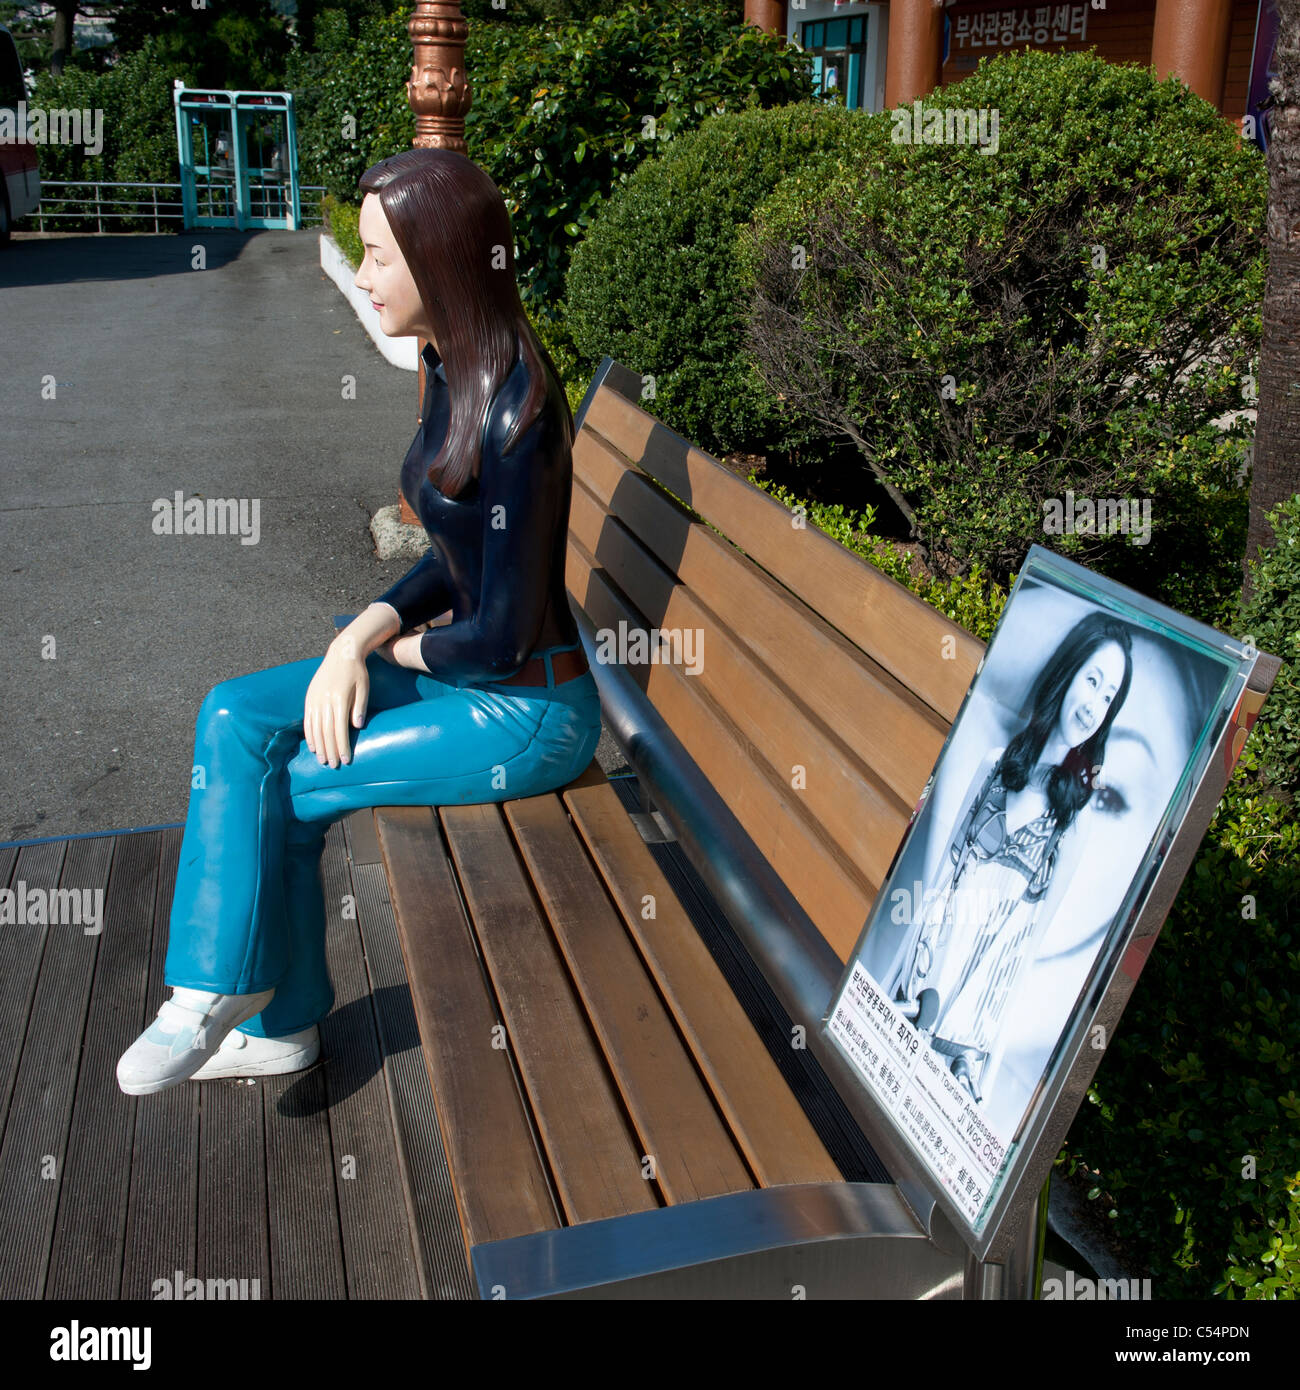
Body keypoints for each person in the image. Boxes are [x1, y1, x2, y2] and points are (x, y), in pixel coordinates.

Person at [117, 149, 603, 1096]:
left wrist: (379, 647)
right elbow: (452, 558)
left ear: (444, 259)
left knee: (296, 784)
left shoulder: (520, 417)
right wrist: (358, 636)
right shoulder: (450, 371)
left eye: (378, 256)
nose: (364, 274)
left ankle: (264, 1013)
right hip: (459, 671)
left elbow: (501, 635)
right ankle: (212, 998)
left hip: (526, 710)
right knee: (233, 713)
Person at [882, 611, 1134, 1106]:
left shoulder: (1072, 821)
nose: (1095, 706)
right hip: (917, 988)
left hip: (969, 1032)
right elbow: (938, 883)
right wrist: (896, 984)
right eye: (1093, 681)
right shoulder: (993, 765)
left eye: (1110, 698)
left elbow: (1031, 944)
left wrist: (986, 1064)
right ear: (1067, 672)